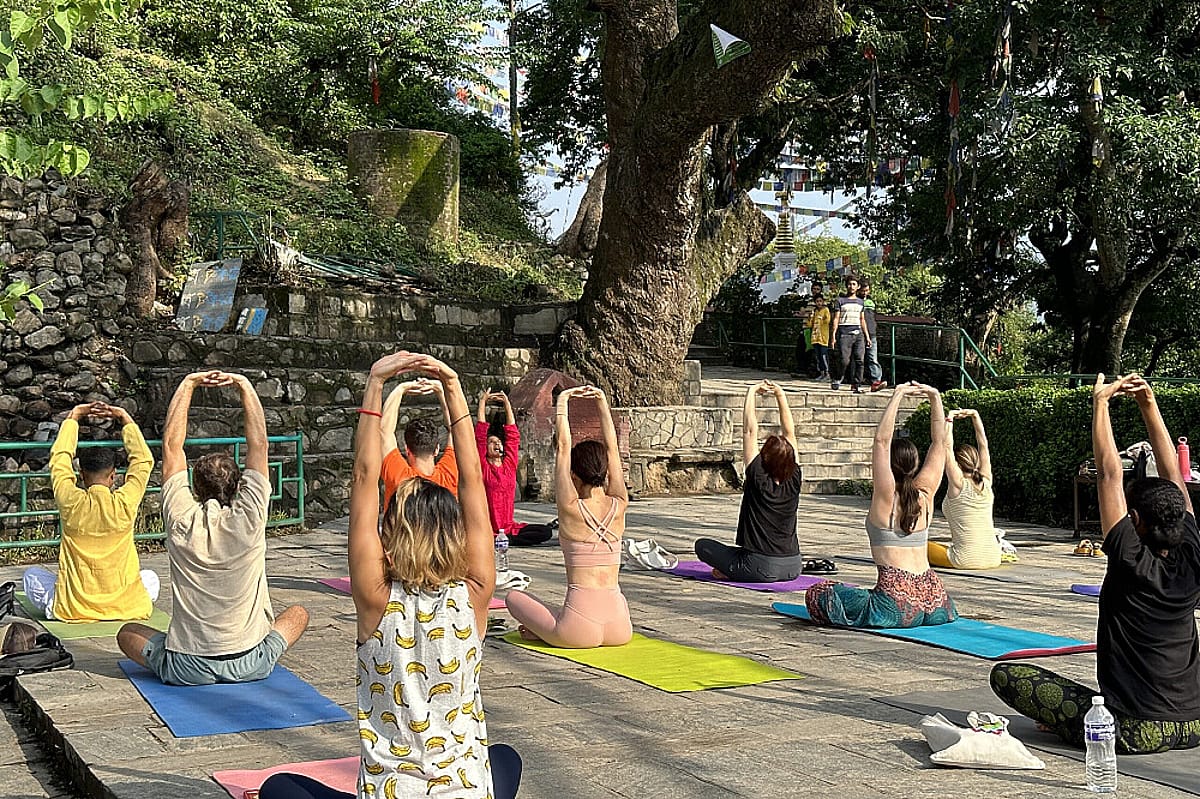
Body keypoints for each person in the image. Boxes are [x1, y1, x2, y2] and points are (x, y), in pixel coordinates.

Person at [260, 352, 521, 799]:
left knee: (279, 788)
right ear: (454, 531)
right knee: (506, 759)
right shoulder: (476, 591)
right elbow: (474, 479)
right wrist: (453, 386)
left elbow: (364, 476)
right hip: (465, 792)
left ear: (391, 533)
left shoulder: (376, 598)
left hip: (391, 792)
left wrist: (377, 381)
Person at [991, 374, 1200, 754]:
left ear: (1135, 520)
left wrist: (1100, 403)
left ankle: (1075, 726)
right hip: (1195, 722)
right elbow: (1176, 478)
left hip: (1139, 730)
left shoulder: (1130, 558)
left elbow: (1108, 474)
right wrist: (1148, 405)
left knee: (1007, 674)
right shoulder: (1193, 551)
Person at [117, 371, 308, 685]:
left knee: (127, 634)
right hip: (251, 662)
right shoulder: (250, 517)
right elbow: (259, 445)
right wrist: (245, 386)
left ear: (195, 487)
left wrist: (188, 383)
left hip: (187, 666)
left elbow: (171, 447)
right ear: (238, 487)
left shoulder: (181, 517)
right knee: (298, 613)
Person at [805, 382, 957, 627]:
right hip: (937, 602)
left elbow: (881, 442)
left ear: (889, 466)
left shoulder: (886, 496)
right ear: (915, 464)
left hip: (897, 606)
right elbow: (940, 444)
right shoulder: (925, 496)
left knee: (819, 593)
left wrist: (897, 395)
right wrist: (935, 396)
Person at [505, 386, 632, 649]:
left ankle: (546, 631)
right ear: (605, 471)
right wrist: (601, 401)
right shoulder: (619, 504)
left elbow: (564, 446)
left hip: (577, 630)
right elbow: (613, 449)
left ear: (574, 475)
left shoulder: (571, 507)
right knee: (553, 610)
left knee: (513, 598)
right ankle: (547, 628)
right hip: (621, 626)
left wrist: (562, 400)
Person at [22, 402, 158, 622]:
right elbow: (143, 461)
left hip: (75, 606)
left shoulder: (70, 500)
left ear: (81, 475)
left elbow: (59, 459)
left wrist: (74, 415)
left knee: (31, 577)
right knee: (151, 579)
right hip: (124, 603)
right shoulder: (125, 502)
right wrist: (124, 417)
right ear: (113, 475)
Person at [695, 381, 805, 582]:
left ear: (766, 457)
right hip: (793, 565)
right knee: (728, 553)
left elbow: (749, 431)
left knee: (702, 546)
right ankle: (732, 571)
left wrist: (751, 391)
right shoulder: (795, 476)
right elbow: (790, 433)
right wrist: (780, 395)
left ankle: (732, 572)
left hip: (761, 567)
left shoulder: (758, 475)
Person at [927, 409, 1003, 570]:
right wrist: (975, 415)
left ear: (959, 465)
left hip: (964, 559)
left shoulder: (958, 483)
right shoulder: (986, 481)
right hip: (994, 556)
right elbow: (983, 445)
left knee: (915, 544)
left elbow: (946, 447)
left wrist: (950, 418)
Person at [476, 390, 552, 547]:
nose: (497, 444)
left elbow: (512, 437)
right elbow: (480, 435)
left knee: (546, 532)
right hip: (490, 529)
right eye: (492, 442)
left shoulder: (509, 466)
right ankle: (498, 540)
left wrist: (507, 404)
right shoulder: (484, 467)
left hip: (510, 528)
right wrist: (482, 403)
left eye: (498, 442)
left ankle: (506, 540)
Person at [381, 379, 458, 507]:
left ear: (407, 450)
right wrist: (441, 390)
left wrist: (400, 389)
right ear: (436, 449)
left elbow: (385, 432)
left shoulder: (399, 478)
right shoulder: (449, 476)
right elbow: (456, 429)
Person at [829, 275, 871, 393]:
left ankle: (856, 384)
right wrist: (833, 335)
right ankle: (837, 377)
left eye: (854, 284)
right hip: (844, 333)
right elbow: (836, 318)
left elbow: (862, 319)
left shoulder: (861, 302)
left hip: (858, 334)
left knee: (860, 360)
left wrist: (867, 336)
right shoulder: (840, 301)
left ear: (858, 287)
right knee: (844, 360)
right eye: (849, 284)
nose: (851, 286)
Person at [858, 279, 887, 392]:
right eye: (863, 290)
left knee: (873, 358)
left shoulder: (871, 302)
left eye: (867, 290)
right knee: (858, 359)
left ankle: (876, 381)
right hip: (859, 333)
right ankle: (857, 380)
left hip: (872, 332)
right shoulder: (856, 301)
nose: (865, 293)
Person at [807, 295, 832, 381]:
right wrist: (810, 317)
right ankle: (821, 373)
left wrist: (822, 318)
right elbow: (810, 325)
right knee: (818, 357)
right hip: (815, 337)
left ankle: (827, 374)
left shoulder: (825, 310)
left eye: (820, 301)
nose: (819, 303)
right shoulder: (815, 311)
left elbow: (827, 321)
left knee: (824, 356)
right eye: (817, 301)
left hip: (823, 337)